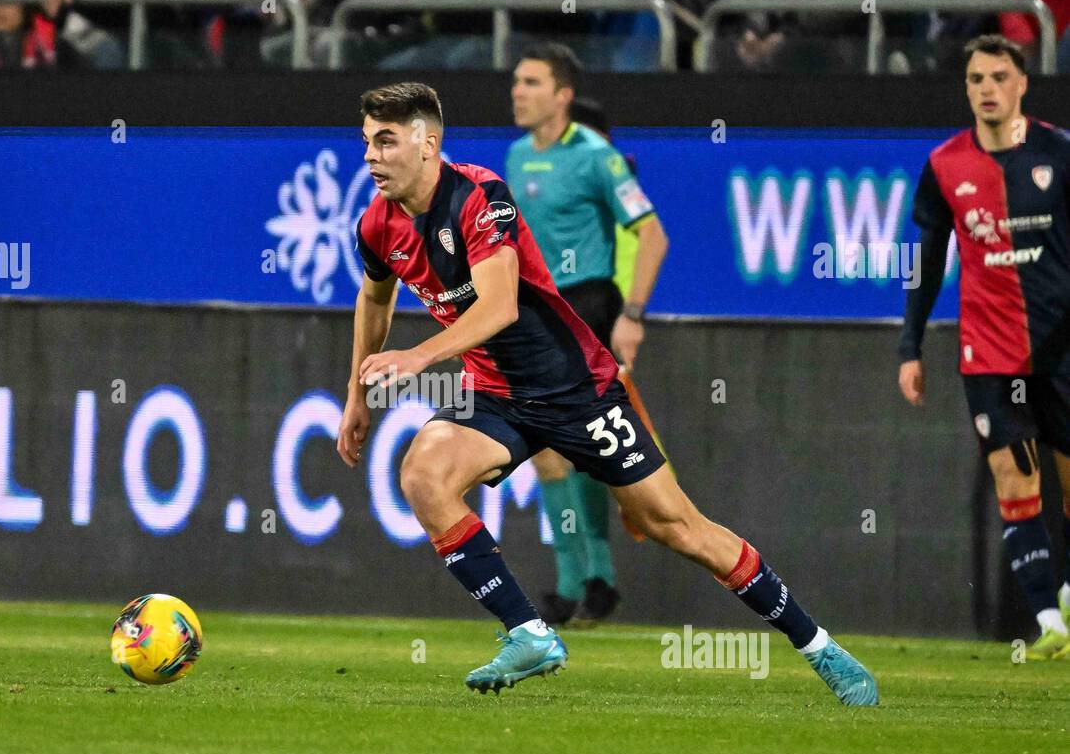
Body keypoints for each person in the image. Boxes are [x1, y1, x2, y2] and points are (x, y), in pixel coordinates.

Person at [340, 81, 878, 704]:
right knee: (423, 473)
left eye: (385, 141)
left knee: (677, 525)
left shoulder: (481, 196)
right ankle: (529, 631)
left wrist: (418, 356)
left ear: (428, 143)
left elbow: (500, 308)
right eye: (366, 142)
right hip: (492, 393)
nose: (372, 157)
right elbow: (374, 299)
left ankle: (818, 646)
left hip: (576, 389)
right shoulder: (377, 224)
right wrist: (357, 394)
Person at [900, 34, 1070, 661]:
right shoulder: (946, 164)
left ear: (1023, 83)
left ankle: (1068, 595)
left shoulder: (1060, 153)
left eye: (999, 76)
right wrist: (909, 344)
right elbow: (925, 261)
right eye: (975, 79)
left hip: (1061, 349)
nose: (987, 89)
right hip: (989, 353)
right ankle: (1050, 621)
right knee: (1013, 477)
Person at [505, 44, 670, 627]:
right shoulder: (518, 157)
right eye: (517, 81)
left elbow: (652, 237)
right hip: (533, 311)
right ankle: (586, 584)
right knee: (550, 450)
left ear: (563, 95)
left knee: (578, 446)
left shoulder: (598, 157)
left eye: (530, 81)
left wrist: (634, 315)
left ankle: (583, 582)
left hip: (587, 305)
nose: (517, 91)